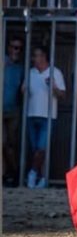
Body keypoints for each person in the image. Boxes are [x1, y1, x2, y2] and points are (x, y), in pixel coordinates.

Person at [23, 46, 66, 189]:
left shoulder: (55, 72)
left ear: (44, 57)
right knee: (36, 149)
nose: (34, 59)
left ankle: (32, 174)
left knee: (41, 148)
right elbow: (24, 91)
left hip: (48, 116)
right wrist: (23, 90)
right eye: (33, 56)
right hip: (31, 114)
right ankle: (42, 178)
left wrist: (53, 87)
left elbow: (63, 95)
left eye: (37, 56)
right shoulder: (31, 72)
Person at [3, 37, 24, 186]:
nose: (17, 51)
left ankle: (13, 172)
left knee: (11, 145)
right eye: (14, 47)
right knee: (2, 142)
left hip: (13, 110)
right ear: (8, 48)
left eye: (19, 49)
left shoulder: (20, 68)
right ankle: (5, 173)